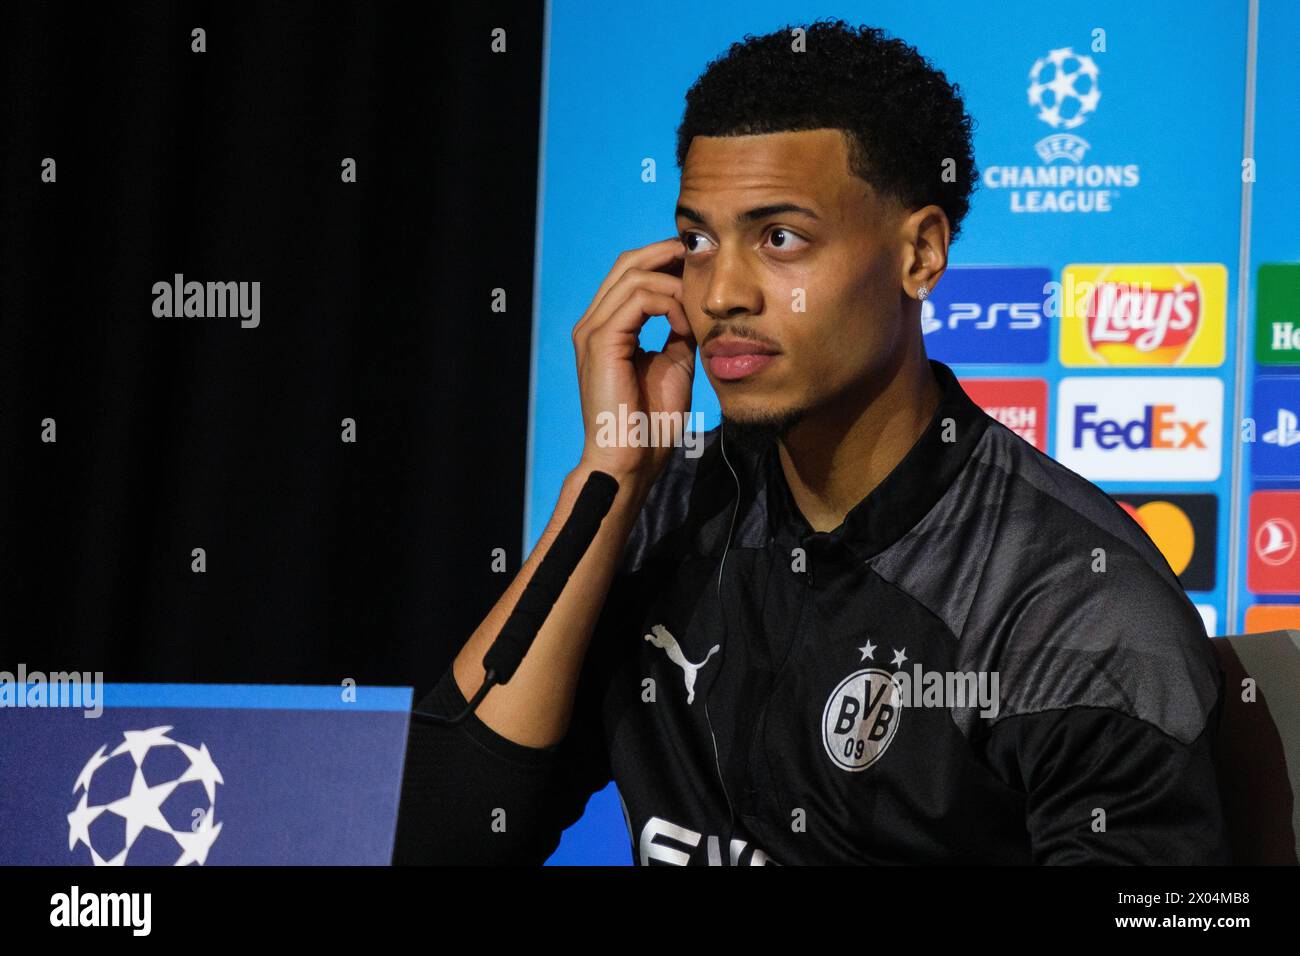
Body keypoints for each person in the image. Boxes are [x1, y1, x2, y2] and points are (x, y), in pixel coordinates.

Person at [394, 19, 1230, 865]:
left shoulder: (1077, 604)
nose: (721, 292)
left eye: (780, 238)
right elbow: (432, 841)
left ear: (921, 254)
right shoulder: (663, 515)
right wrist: (610, 473)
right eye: (696, 241)